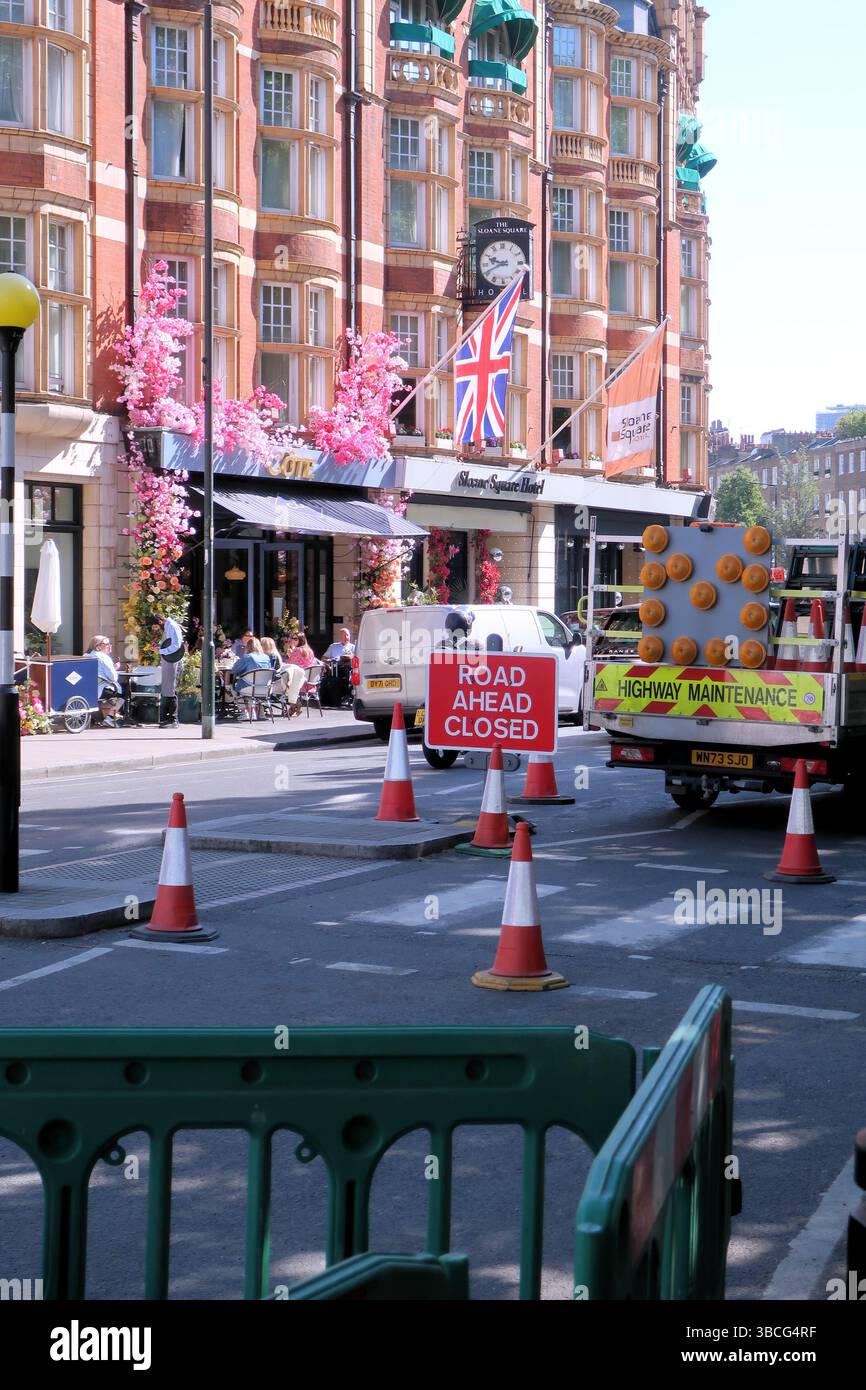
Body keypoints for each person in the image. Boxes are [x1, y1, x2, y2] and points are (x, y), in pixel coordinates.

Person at [88, 635, 124, 728]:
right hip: (100, 688)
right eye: (107, 644)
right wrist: (115, 668)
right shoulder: (104, 658)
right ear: (98, 646)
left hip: (87, 688)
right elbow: (113, 678)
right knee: (123, 695)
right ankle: (110, 717)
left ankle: (98, 716)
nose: (110, 646)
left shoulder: (86, 656)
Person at [159, 616, 186, 728]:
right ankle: (169, 718)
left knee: (170, 688)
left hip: (172, 659)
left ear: (160, 621)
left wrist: (161, 650)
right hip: (168, 658)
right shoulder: (169, 626)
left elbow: (176, 645)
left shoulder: (172, 626)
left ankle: (173, 719)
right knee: (168, 687)